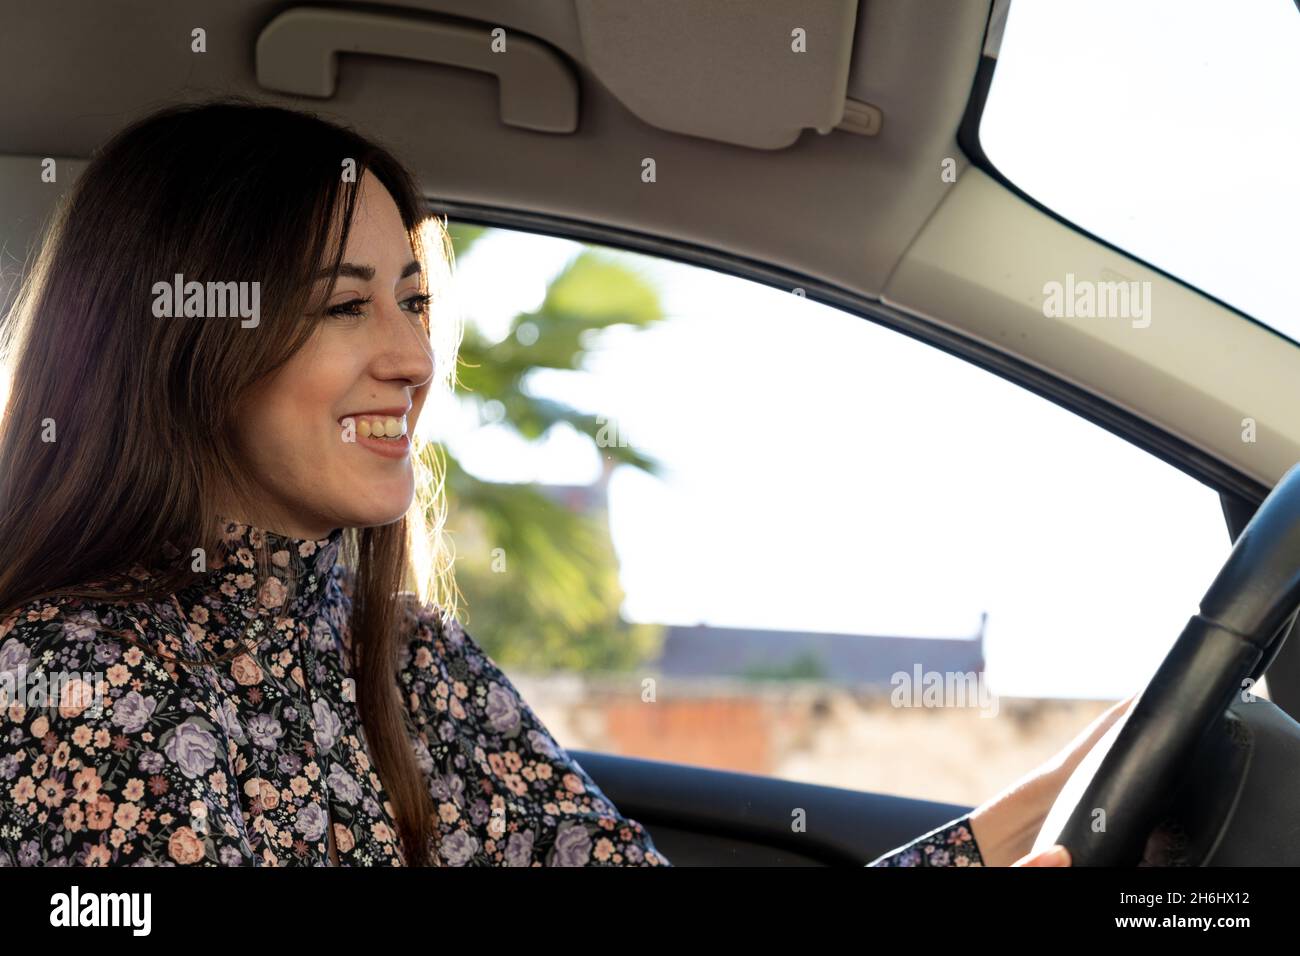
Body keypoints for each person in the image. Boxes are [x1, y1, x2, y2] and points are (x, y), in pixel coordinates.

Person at [0, 98, 1124, 866]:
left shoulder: (405, 656)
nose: (410, 356)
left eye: (414, 299)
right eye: (346, 304)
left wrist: (1049, 802)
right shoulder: (64, 687)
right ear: (187, 339)